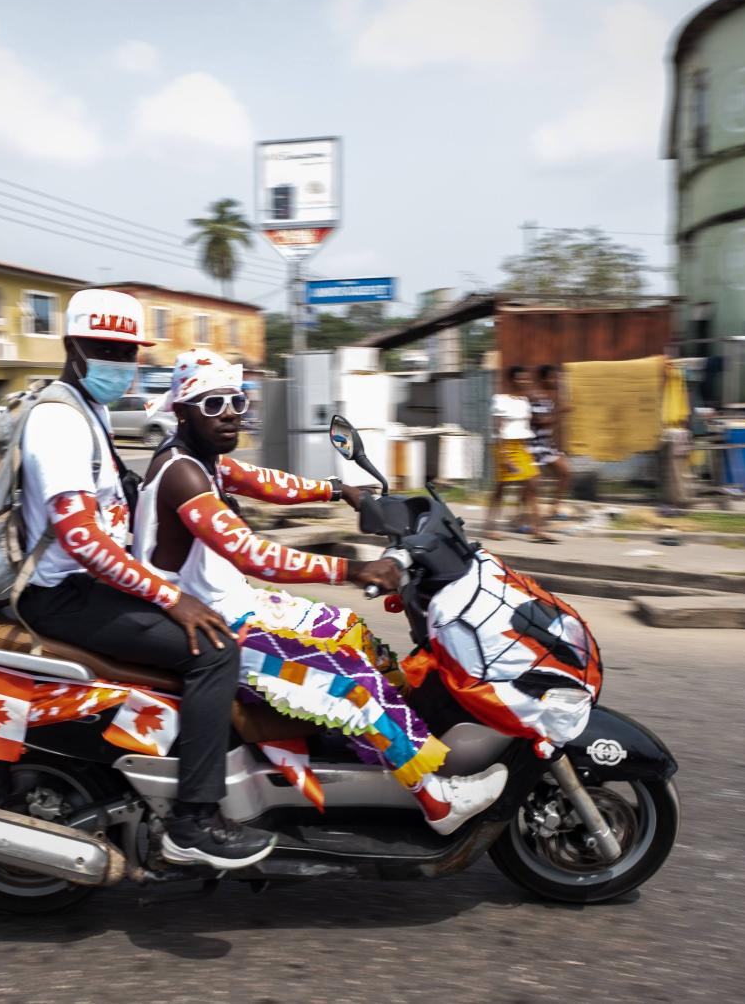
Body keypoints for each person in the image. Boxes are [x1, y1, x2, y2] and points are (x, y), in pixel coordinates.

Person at [133, 351, 509, 835]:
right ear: (182, 413)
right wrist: (354, 570)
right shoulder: (182, 473)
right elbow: (251, 555)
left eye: (236, 401)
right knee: (354, 683)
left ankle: (390, 741)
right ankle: (437, 800)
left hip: (236, 606)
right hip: (215, 629)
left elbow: (265, 482)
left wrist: (338, 490)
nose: (228, 413)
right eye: (211, 404)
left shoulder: (206, 462)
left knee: (351, 630)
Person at [13, 289, 276, 870]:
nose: (119, 362)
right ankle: (194, 821)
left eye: (127, 351)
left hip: (88, 583)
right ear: (73, 348)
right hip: (62, 595)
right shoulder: (58, 421)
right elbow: (81, 537)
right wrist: (171, 597)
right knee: (215, 651)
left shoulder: (88, 409)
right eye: (105, 349)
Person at [486, 365, 552, 543]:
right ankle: (490, 527)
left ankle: (537, 530)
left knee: (533, 483)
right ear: (511, 380)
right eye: (520, 379)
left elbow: (525, 426)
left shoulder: (524, 401)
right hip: (505, 446)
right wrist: (505, 457)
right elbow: (498, 427)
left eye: (526, 379)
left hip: (521, 446)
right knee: (502, 488)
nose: (524, 382)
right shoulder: (501, 399)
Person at [529, 364, 571, 521]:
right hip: (533, 446)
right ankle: (528, 518)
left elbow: (550, 424)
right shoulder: (535, 397)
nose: (555, 381)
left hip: (546, 445)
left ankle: (554, 509)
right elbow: (539, 422)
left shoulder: (547, 398)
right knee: (533, 483)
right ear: (544, 379)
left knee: (565, 473)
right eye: (553, 377)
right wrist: (560, 412)